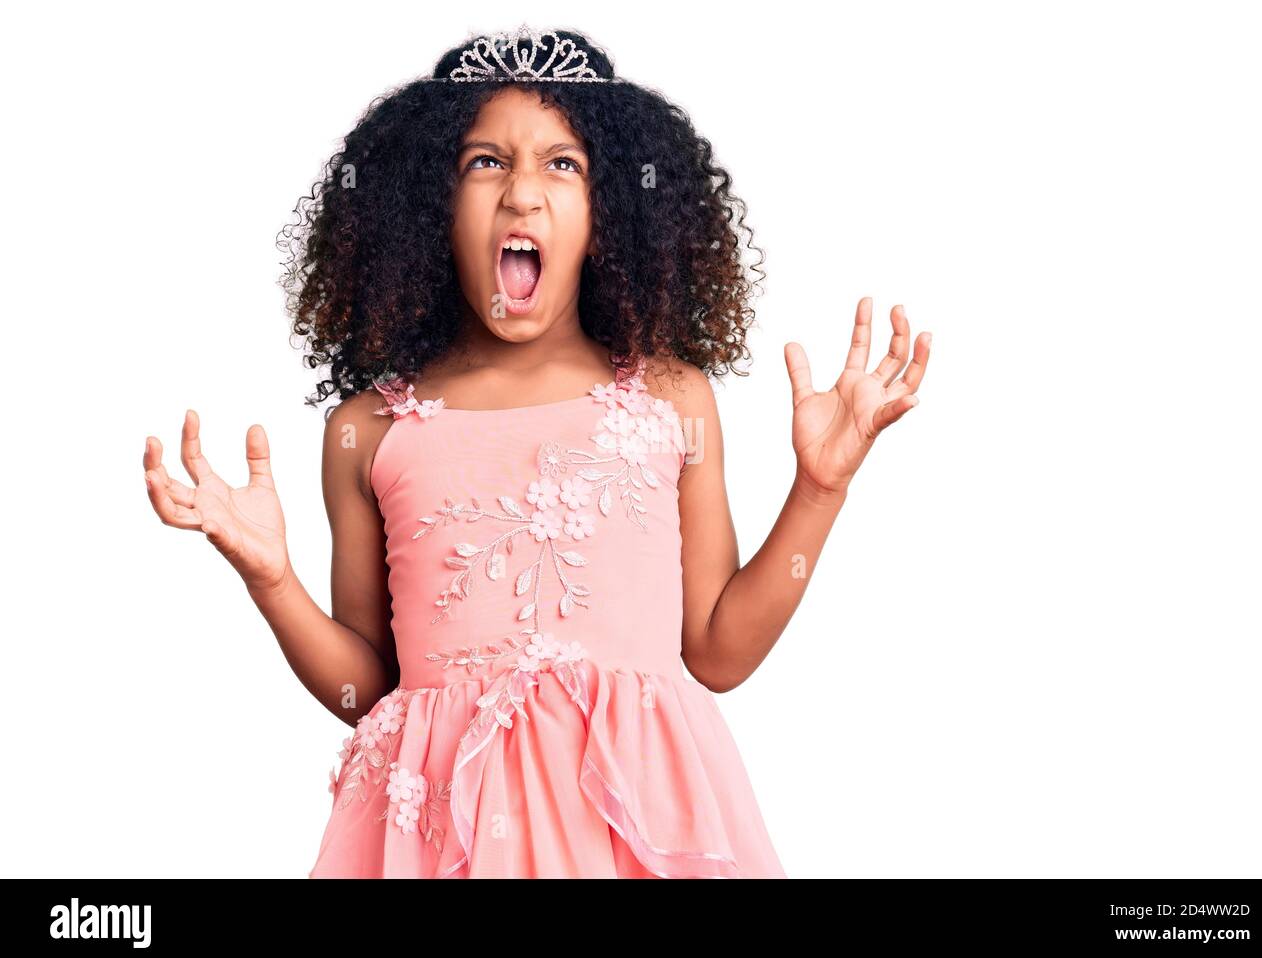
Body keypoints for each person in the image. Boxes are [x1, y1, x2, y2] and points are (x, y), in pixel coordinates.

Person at [142, 25, 931, 878]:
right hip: (443, 840)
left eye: (562, 164)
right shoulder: (369, 431)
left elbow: (719, 651)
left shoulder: (670, 401)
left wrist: (819, 488)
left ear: (608, 213)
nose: (522, 193)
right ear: (431, 206)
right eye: (485, 162)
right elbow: (365, 691)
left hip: (629, 835)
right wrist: (272, 580)